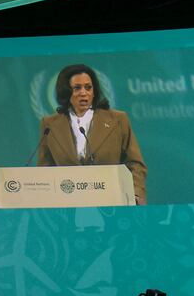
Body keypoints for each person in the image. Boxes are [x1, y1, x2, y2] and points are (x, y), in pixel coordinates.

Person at [36, 63, 148, 204]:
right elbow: (45, 169)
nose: (84, 93)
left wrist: (135, 194)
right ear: (65, 91)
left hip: (113, 202)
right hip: (68, 204)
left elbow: (135, 163)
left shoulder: (118, 120)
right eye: (77, 88)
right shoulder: (49, 124)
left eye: (88, 87)